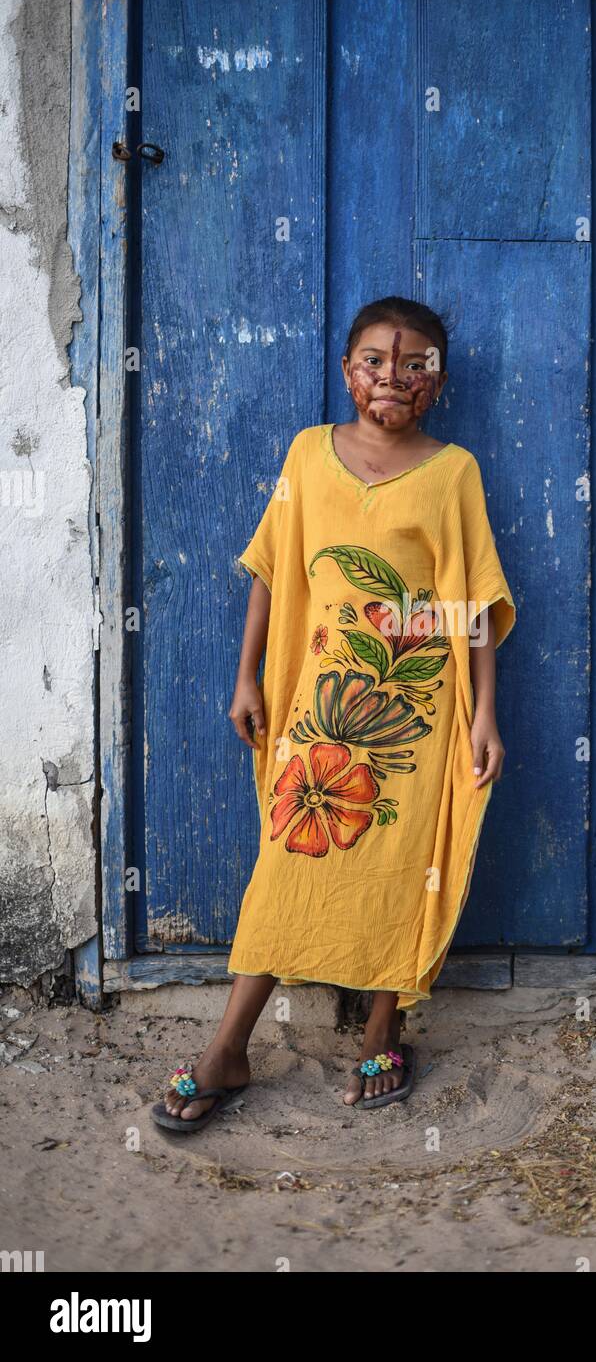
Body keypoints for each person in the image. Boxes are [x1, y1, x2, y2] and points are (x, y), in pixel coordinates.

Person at [152, 296, 515, 1130]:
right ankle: (229, 1049)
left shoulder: (452, 470)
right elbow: (273, 572)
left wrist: (483, 715)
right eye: (375, 361)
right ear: (347, 368)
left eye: (414, 363)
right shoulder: (308, 456)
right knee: (286, 869)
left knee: (401, 869)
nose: (393, 376)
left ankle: (385, 1028)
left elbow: (473, 604)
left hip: (417, 715)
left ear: (439, 380)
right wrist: (247, 678)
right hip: (319, 712)